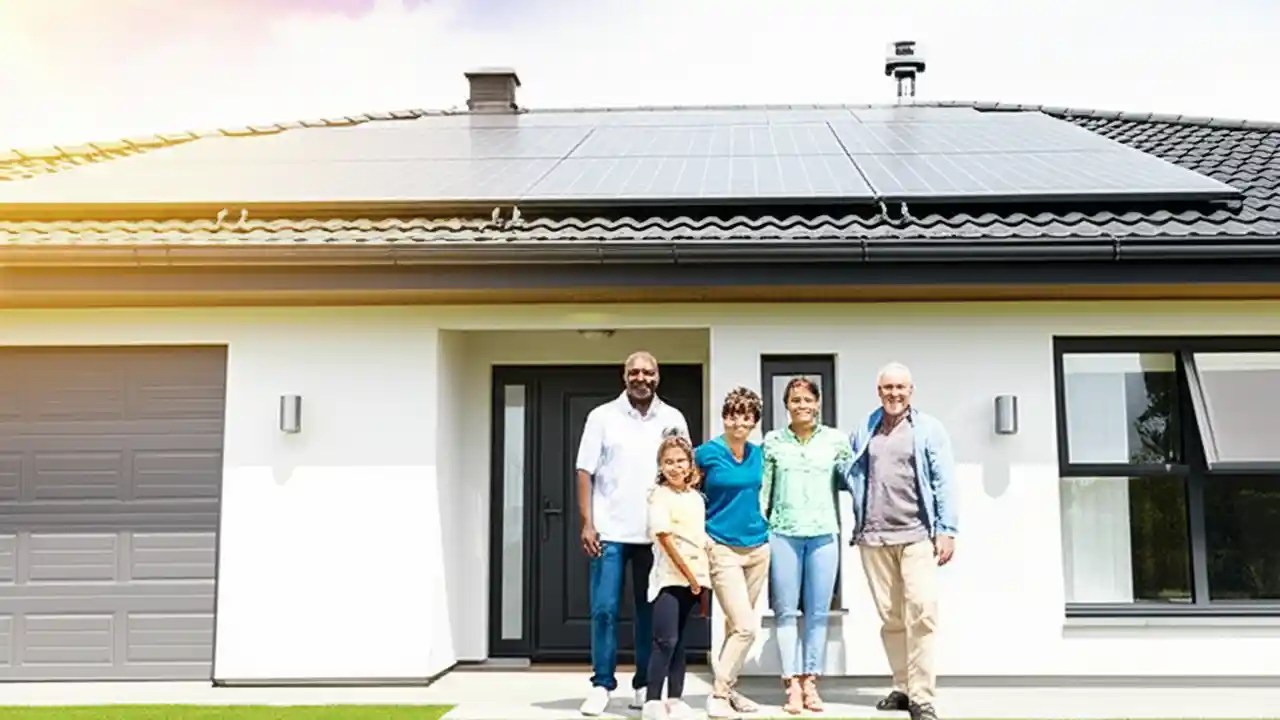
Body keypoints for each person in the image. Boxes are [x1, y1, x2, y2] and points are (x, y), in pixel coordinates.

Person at [576, 351, 690, 717]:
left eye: (648, 372)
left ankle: (644, 684)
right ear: (624, 376)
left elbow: (683, 470)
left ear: (658, 377)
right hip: (609, 530)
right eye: (634, 372)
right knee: (604, 610)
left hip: (655, 535)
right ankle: (601, 684)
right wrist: (587, 522)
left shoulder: (673, 419)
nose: (641, 377)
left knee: (648, 615)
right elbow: (584, 471)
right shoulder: (602, 417)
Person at [845, 362, 957, 720]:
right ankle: (903, 686)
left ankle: (922, 696)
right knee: (891, 617)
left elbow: (944, 482)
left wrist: (947, 529)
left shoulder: (928, 429)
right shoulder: (865, 427)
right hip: (874, 537)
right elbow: (849, 472)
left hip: (917, 535)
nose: (894, 393)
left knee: (922, 611)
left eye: (901, 387)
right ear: (879, 391)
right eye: (887, 387)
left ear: (911, 391)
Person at [761, 377, 853, 715]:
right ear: (786, 405)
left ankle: (811, 681)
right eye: (795, 400)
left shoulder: (836, 441)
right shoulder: (773, 442)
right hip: (782, 532)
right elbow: (765, 490)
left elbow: (853, 480)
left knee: (817, 613)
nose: (802, 405)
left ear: (818, 403)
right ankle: (792, 685)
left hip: (823, 534)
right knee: (785, 612)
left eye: (807, 399)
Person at [696, 386, 770, 719]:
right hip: (722, 547)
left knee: (733, 627)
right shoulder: (706, 454)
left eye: (745, 416)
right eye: (731, 414)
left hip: (757, 549)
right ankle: (719, 693)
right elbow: (678, 481)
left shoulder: (759, 454)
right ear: (723, 417)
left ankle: (730, 689)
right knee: (746, 627)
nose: (737, 421)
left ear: (754, 420)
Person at [642, 430, 712, 720]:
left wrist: (702, 580)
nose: (675, 467)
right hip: (670, 579)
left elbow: (699, 537)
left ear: (690, 464)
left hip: (695, 579)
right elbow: (666, 539)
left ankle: (675, 698)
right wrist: (690, 577)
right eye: (668, 461)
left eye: (681, 460)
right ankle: (652, 700)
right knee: (665, 640)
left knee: (681, 640)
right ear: (660, 466)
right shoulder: (659, 496)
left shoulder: (696, 498)